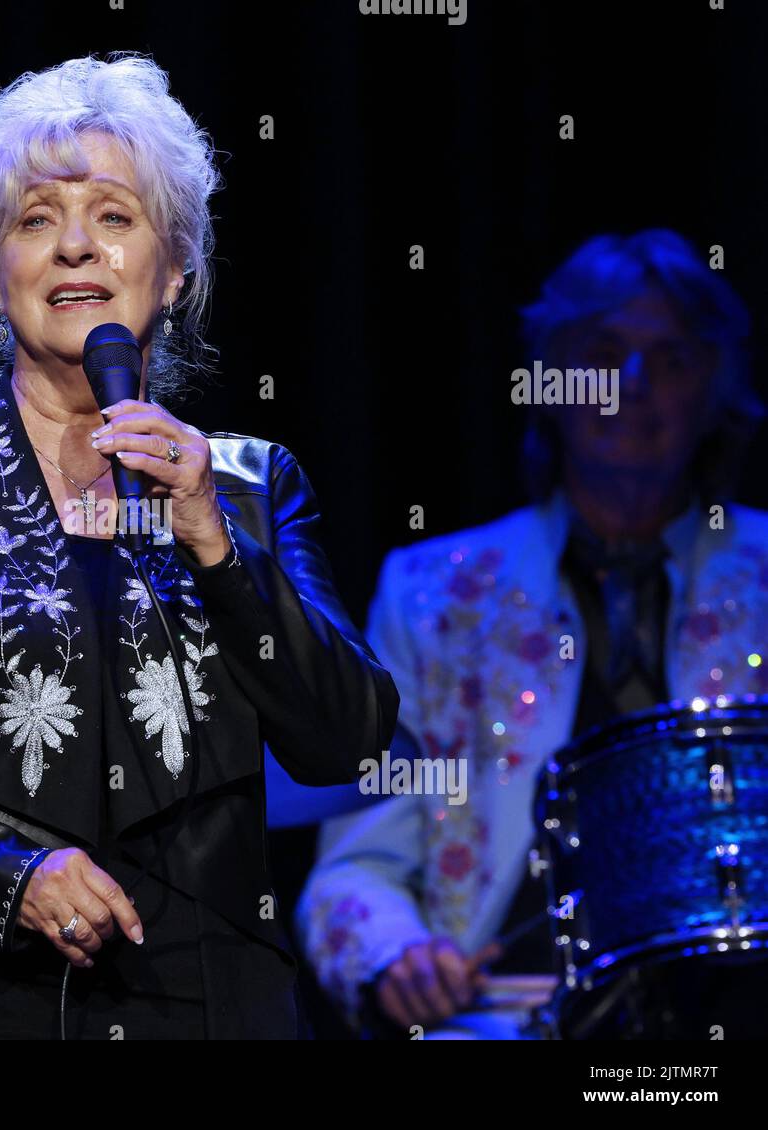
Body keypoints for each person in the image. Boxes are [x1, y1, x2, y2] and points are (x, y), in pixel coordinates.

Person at [0, 52, 398, 1040]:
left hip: (207, 1000)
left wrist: (215, 544)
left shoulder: (252, 485)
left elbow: (345, 735)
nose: (74, 249)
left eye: (113, 215)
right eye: (34, 219)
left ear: (174, 270)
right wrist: (5, 873)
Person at [296, 230, 768, 1037]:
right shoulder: (435, 592)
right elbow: (357, 867)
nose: (632, 382)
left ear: (716, 391)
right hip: (499, 1019)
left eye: (673, 357)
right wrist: (397, 955)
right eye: (601, 351)